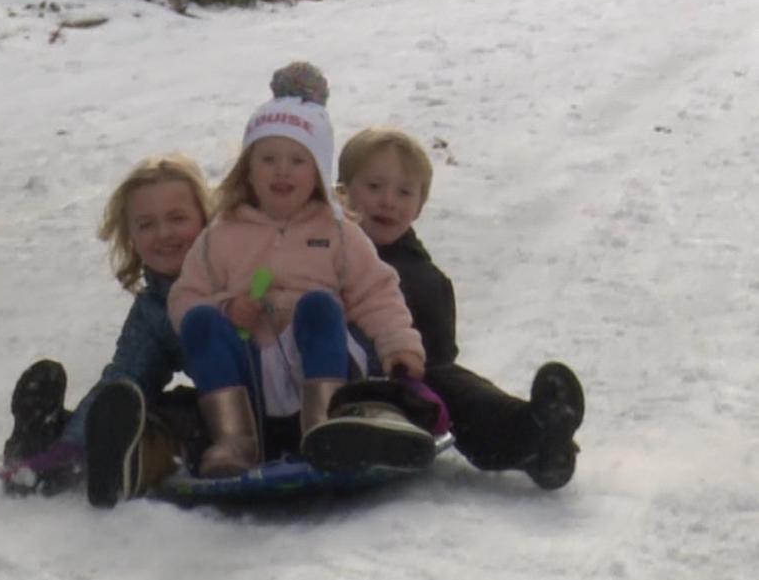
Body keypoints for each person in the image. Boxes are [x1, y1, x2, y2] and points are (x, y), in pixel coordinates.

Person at [167, 62, 436, 479]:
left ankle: (325, 429)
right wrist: (226, 309)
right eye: (268, 158)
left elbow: (377, 294)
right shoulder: (220, 236)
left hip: (321, 362)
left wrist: (400, 346)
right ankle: (234, 440)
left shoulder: (339, 233)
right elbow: (185, 297)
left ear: (317, 173)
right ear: (248, 168)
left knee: (319, 306)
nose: (281, 170)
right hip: (251, 375)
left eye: (297, 159)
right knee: (201, 319)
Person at [337, 126, 585, 489]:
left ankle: (534, 434)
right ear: (342, 193)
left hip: (407, 384)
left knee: (455, 391)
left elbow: (439, 353)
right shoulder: (319, 246)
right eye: (374, 187)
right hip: (333, 379)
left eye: (404, 192)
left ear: (420, 206)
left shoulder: (421, 273)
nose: (388, 201)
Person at [0, 154, 212, 506]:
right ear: (131, 239)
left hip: (261, 410)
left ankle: (119, 455)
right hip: (218, 410)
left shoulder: (238, 274)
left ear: (207, 219)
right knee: (130, 405)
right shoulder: (152, 310)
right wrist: (69, 447)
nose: (164, 234)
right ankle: (53, 444)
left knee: (186, 418)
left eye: (177, 218)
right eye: (146, 225)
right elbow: (126, 377)